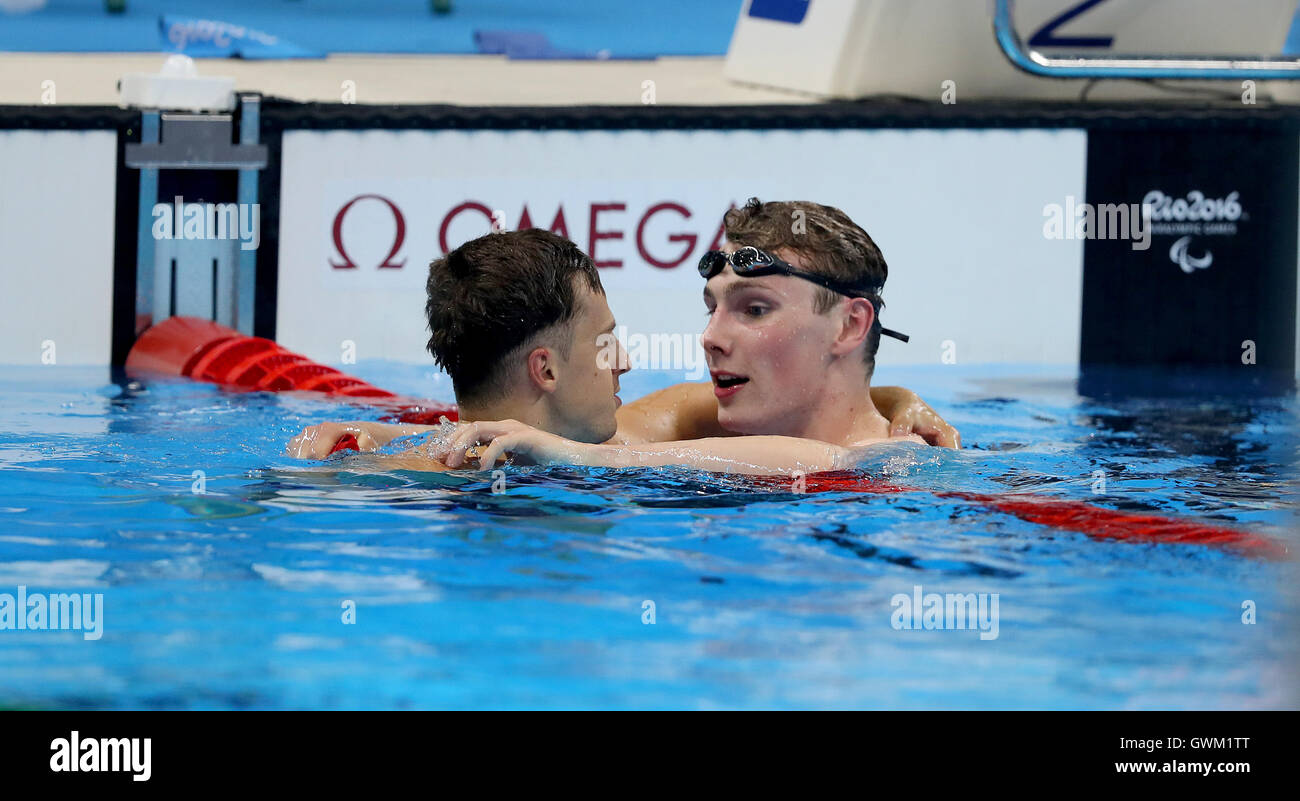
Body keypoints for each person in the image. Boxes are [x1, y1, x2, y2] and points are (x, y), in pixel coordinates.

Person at [289, 209, 957, 473]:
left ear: (850, 325)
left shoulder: (908, 465)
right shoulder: (689, 423)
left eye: (753, 309)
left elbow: (842, 460)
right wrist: (379, 434)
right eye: (711, 308)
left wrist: (580, 460)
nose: (710, 338)